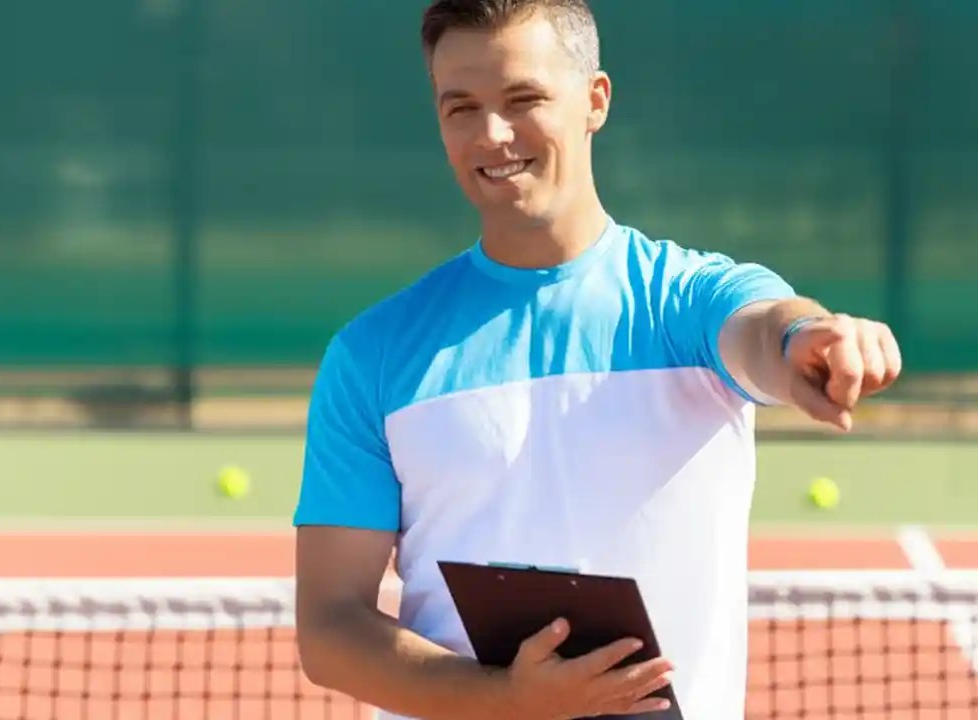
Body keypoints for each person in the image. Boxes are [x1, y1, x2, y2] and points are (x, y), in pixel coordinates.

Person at [291, 1, 903, 718]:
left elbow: (767, 327)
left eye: (524, 99)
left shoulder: (687, 301)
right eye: (461, 107)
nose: (491, 134)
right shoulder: (372, 353)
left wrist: (811, 337)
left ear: (595, 100)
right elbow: (331, 630)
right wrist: (508, 699)